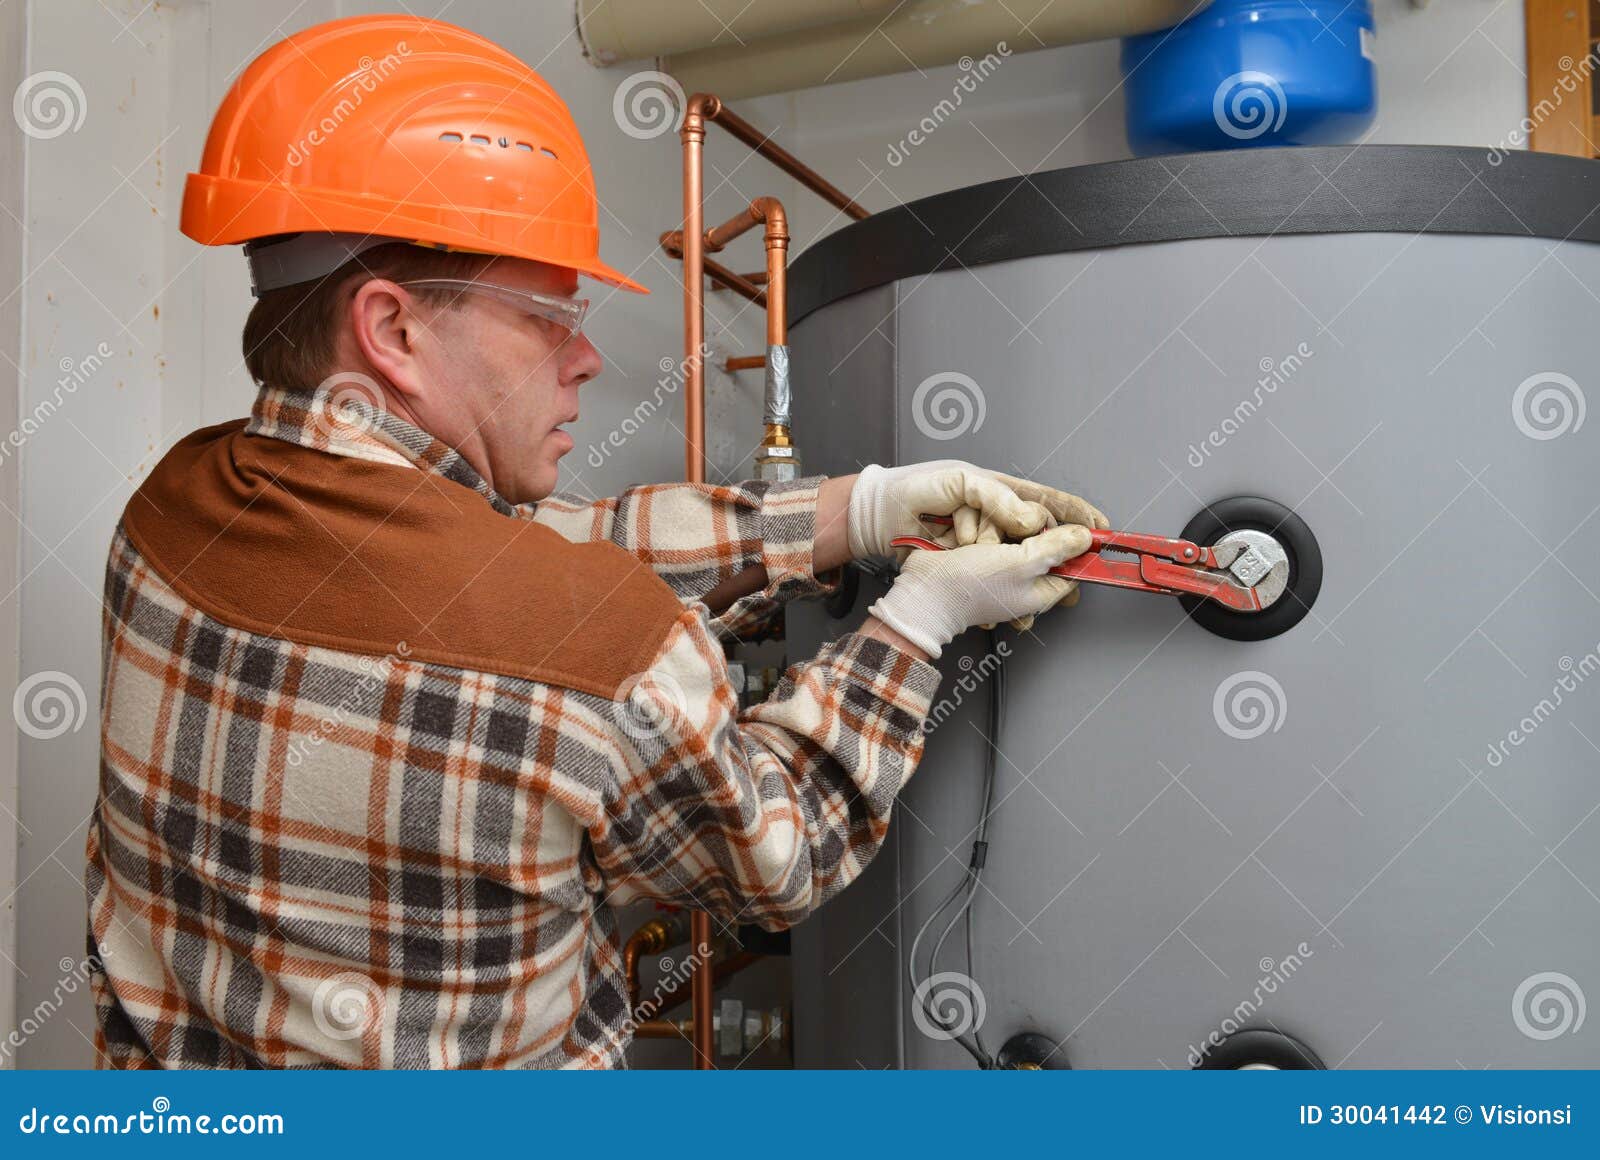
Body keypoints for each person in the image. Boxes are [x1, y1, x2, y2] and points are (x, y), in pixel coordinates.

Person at [86, 13, 1105, 1069]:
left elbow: (518, 552)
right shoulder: (593, 652)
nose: (582, 358)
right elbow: (779, 848)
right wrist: (923, 614)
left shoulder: (167, 510)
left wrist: (863, 508)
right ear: (392, 329)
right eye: (546, 316)